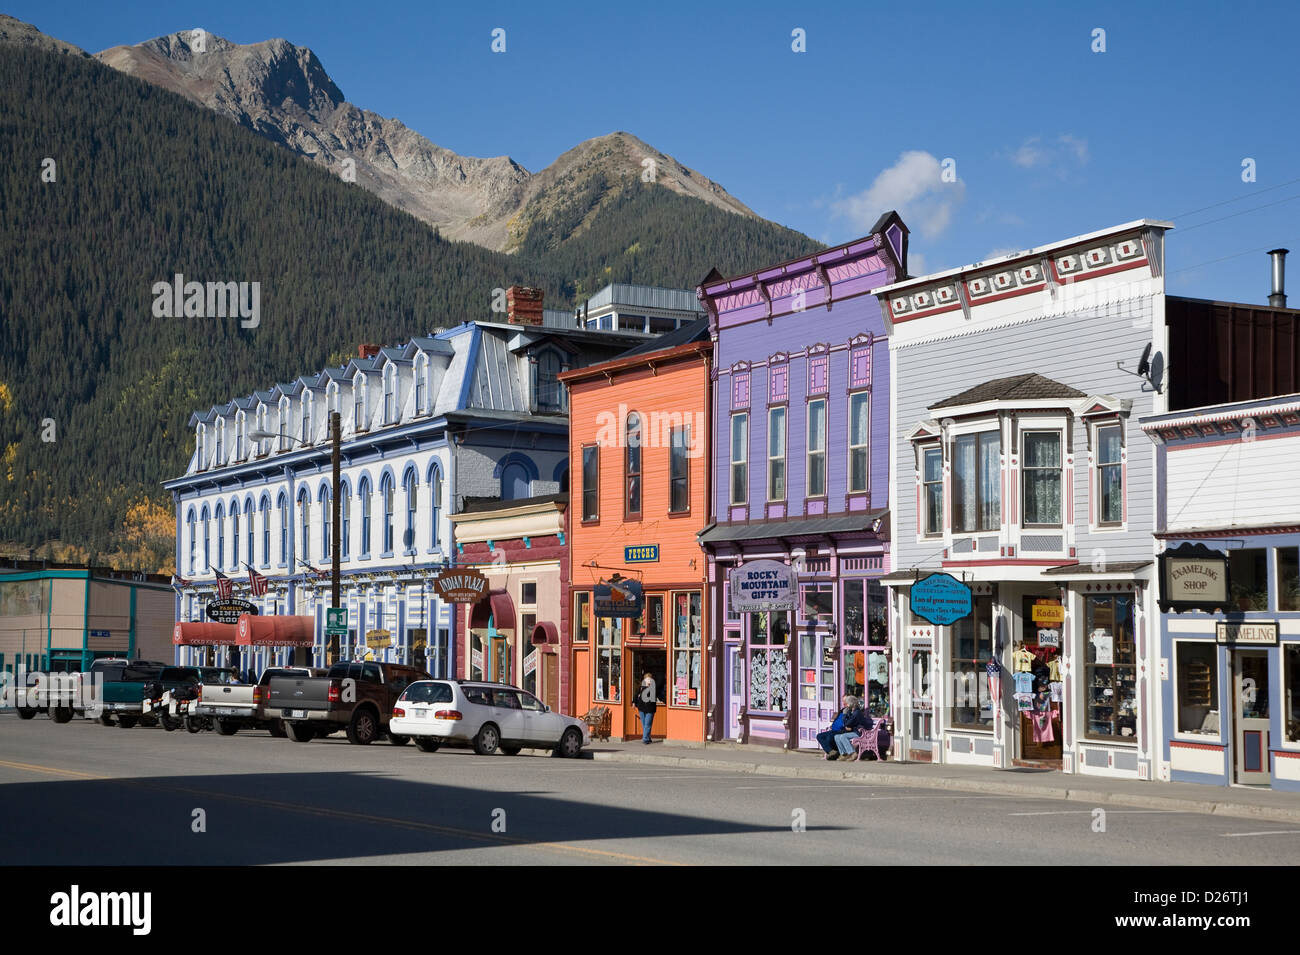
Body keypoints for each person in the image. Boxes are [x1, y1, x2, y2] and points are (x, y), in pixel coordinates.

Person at [635, 671, 657, 744]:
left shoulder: (653, 688)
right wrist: (633, 702)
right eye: (647, 679)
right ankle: (648, 737)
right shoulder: (641, 688)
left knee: (647, 724)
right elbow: (636, 695)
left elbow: (658, 695)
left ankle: (645, 739)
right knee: (644, 725)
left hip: (650, 709)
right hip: (641, 708)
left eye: (650, 679)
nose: (648, 681)